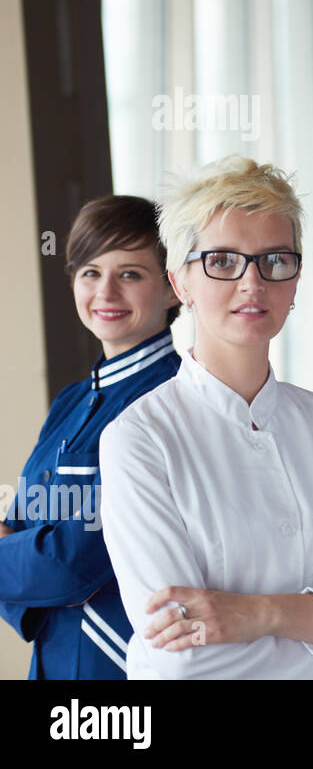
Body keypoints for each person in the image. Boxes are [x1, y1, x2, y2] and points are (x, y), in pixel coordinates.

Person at [99, 156, 313, 678]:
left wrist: (256, 614)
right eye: (223, 261)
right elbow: (181, 656)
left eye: (275, 260)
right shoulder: (139, 439)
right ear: (179, 283)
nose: (253, 283)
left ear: (295, 280)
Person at [0, 197, 182, 678]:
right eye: (90, 272)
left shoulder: (172, 402)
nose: (106, 292)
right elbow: (21, 524)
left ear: (173, 289)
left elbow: (73, 563)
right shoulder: (71, 401)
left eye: (130, 274)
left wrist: (38, 569)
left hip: (119, 665)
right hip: (52, 660)